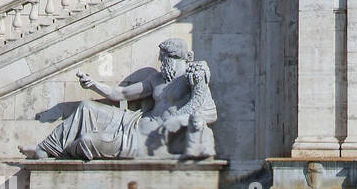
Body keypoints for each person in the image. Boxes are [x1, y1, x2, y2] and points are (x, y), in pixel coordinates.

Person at [23, 36, 217, 160]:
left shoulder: (193, 79)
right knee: (86, 107)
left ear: (173, 58)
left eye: (163, 57)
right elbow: (121, 94)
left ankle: (61, 152)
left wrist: (178, 121)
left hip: (146, 139)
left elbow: (210, 113)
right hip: (134, 121)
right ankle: (45, 148)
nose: (160, 61)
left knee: (88, 141)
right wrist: (94, 84)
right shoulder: (156, 79)